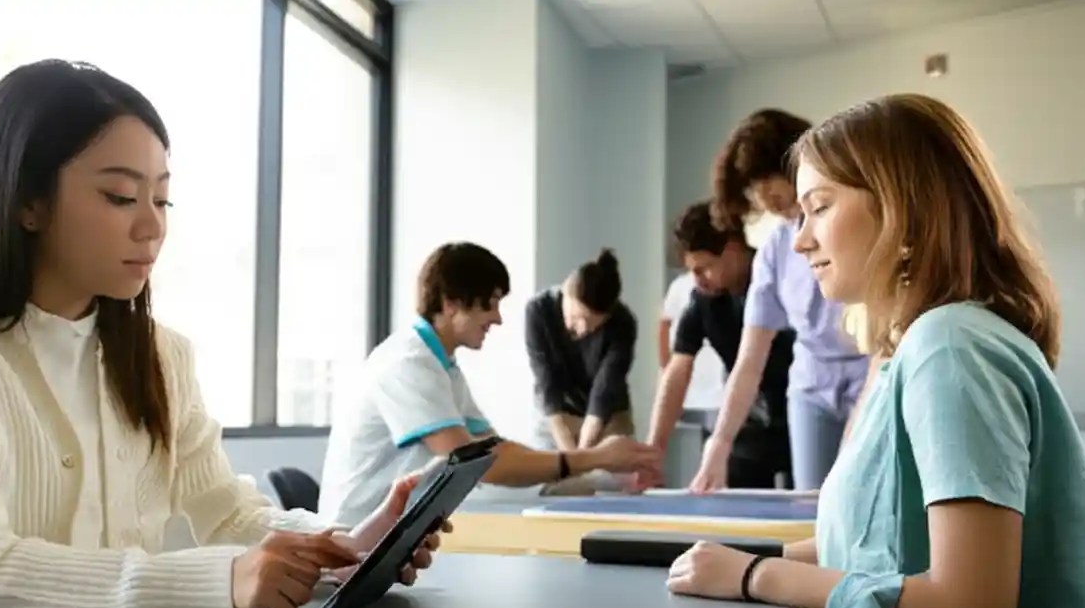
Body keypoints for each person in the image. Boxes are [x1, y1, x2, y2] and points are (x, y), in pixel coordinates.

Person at [0, 60, 447, 608]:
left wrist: (347, 546)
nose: (152, 227)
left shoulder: (161, 356)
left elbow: (227, 513)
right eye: (120, 197)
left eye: (162, 200)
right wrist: (224, 580)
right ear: (28, 203)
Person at [668, 94, 1085, 608]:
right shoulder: (922, 346)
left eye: (818, 208)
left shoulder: (951, 347)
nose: (800, 242)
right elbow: (886, 540)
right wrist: (746, 558)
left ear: (902, 209)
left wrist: (755, 578)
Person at [318, 242, 661, 526]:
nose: (497, 318)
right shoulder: (408, 364)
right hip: (353, 536)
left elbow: (494, 451)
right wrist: (593, 458)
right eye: (492, 304)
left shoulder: (443, 367)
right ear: (452, 304)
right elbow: (476, 464)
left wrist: (602, 472)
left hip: (389, 530)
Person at [690, 109, 869, 493]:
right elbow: (749, 359)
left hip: (869, 371)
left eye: (770, 185)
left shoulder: (850, 223)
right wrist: (719, 443)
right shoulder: (776, 249)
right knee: (812, 501)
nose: (765, 198)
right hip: (811, 384)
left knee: (860, 496)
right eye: (755, 192)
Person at [645, 202, 794, 489]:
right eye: (692, 272)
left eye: (705, 268)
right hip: (749, 423)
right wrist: (654, 451)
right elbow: (677, 371)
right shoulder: (703, 299)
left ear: (733, 250)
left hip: (800, 415)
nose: (697, 280)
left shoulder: (779, 279)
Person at [525, 249, 637, 453]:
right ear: (567, 291)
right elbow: (547, 384)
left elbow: (605, 388)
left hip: (608, 419)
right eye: (578, 317)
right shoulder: (538, 312)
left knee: (613, 481)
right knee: (553, 481)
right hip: (557, 417)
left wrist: (583, 458)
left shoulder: (622, 322)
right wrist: (573, 460)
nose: (584, 329)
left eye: (594, 325)